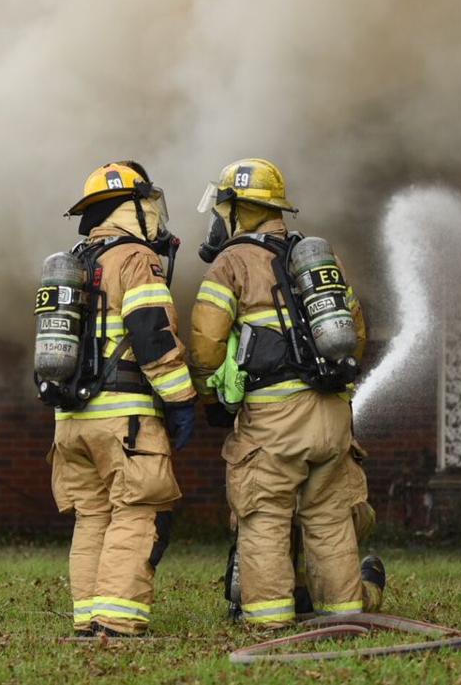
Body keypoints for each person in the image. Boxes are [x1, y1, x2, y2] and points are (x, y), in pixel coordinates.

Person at [189, 158, 384, 630]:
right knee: (330, 518)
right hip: (331, 414)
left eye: (224, 208)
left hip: (273, 418)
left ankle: (269, 619)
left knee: (265, 516)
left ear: (240, 208)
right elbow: (356, 333)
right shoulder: (316, 259)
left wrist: (213, 399)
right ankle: (343, 616)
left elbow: (206, 344)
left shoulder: (231, 263)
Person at [47, 161, 196, 638]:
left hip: (71, 422)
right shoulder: (134, 257)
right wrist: (181, 399)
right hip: (125, 419)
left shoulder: (76, 261)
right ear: (131, 208)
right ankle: (116, 621)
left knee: (92, 517)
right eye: (149, 205)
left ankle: (87, 618)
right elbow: (152, 334)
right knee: (138, 511)